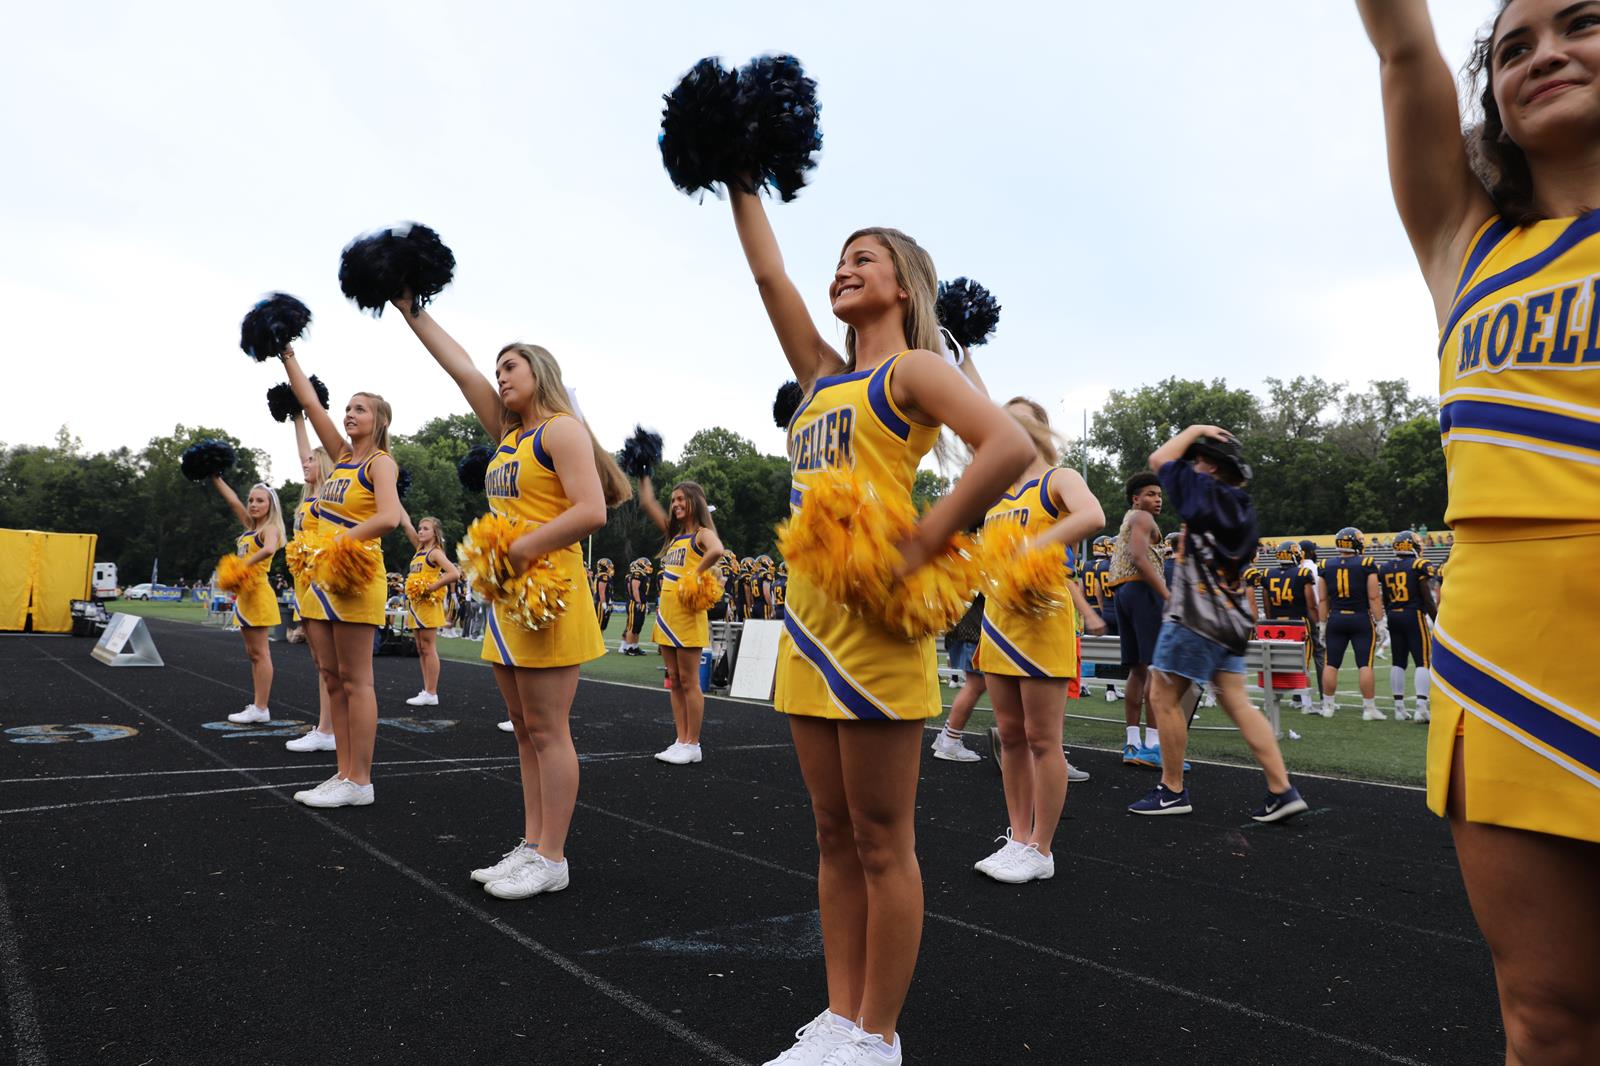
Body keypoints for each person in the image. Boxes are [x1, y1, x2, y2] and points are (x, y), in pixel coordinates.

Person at [728, 187, 1032, 1066]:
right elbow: (766, 272)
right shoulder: (822, 377)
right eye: (841, 258)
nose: (844, 268)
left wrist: (928, 540)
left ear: (903, 286)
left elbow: (1007, 447)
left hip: (877, 630)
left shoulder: (912, 374)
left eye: (865, 258)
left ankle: (878, 1033)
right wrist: (740, 175)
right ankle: (837, 1014)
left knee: (881, 839)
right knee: (830, 835)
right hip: (807, 623)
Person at [1359, 3, 1600, 1060]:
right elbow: (1401, 43)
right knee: (1546, 1014)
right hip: (1509, 656)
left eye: (1581, 24)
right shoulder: (1465, 240)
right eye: (1511, 48)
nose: (1544, 53)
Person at [395, 295, 629, 897]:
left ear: (539, 375)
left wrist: (520, 551)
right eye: (499, 370)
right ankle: (531, 845)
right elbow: (461, 369)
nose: (499, 378)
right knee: (523, 727)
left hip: (548, 591)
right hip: (508, 594)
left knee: (549, 730)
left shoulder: (562, 430)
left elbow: (592, 510)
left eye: (511, 369)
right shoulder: (507, 435)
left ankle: (553, 858)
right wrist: (409, 308)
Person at [1126, 427, 1307, 823]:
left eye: (1200, 459)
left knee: (1162, 695)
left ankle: (1172, 789)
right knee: (1236, 701)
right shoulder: (1244, 507)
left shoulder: (1202, 489)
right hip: (1232, 615)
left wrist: (1193, 430)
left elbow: (1159, 461)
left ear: (1211, 467)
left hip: (1196, 611)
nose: (1193, 463)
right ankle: (1282, 788)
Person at [971, 398, 1106, 884]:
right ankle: (1018, 837)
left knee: (1042, 739)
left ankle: (1041, 848)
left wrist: (1035, 546)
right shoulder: (997, 495)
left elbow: (1093, 515)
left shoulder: (1058, 479)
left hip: (1042, 619)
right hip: (999, 619)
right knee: (1009, 736)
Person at [280, 349, 401, 808]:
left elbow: (389, 516)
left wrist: (340, 541)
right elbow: (311, 404)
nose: (349, 415)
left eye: (360, 409)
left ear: (379, 420)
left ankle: (361, 780)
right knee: (330, 677)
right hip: (321, 578)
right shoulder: (341, 457)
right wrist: (286, 355)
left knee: (356, 680)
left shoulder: (379, 464)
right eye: (347, 408)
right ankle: (343, 774)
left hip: (354, 575)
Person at [638, 475, 726, 765]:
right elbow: (648, 503)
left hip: (688, 616)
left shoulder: (701, 534)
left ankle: (693, 743)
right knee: (674, 680)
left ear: (694, 502)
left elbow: (717, 549)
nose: (675, 504)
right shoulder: (675, 537)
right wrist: (643, 474)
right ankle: (680, 740)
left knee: (689, 682)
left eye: (680, 499)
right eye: (673, 500)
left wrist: (695, 574)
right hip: (668, 616)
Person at [207, 472, 285, 724]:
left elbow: (270, 549)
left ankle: (261, 708)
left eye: (259, 501)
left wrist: (243, 565)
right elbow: (233, 502)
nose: (253, 504)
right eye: (251, 500)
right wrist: (215, 477)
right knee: (253, 653)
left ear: (270, 505)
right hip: (246, 596)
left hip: (258, 593)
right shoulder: (250, 528)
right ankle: (258, 705)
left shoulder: (270, 528)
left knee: (261, 653)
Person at [1106, 473, 1170, 766]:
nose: (1157, 499)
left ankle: (1132, 743)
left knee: (1138, 670)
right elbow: (1141, 558)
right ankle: (1154, 745)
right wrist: (1167, 595)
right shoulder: (1143, 519)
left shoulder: (1128, 519)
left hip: (1122, 593)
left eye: (1159, 494)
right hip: (1143, 593)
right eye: (1151, 494)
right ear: (1136, 498)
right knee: (1156, 669)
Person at [283, 414, 338, 753]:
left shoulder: (329, 493)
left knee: (328, 662)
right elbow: (303, 452)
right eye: (305, 461)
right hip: (304, 581)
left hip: (322, 579)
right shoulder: (307, 496)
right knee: (320, 661)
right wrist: (296, 419)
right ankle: (326, 727)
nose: (305, 464)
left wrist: (306, 414)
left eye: (312, 461)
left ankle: (328, 729)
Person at [1318, 527, 1386, 719]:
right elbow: (1373, 597)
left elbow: (1323, 600)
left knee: (1331, 663)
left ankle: (1328, 707)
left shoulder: (1325, 564)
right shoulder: (1366, 563)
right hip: (1360, 618)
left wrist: (1322, 624)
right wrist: (1380, 621)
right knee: (1365, 664)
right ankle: (1369, 709)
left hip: (1336, 618)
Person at [398, 515, 462, 707]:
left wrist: (431, 588)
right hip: (416, 604)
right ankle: (426, 690)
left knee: (428, 647)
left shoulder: (435, 553)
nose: (420, 531)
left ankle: (432, 692)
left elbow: (454, 573)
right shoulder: (419, 550)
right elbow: (406, 524)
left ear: (435, 532)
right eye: (420, 528)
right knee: (420, 648)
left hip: (428, 604)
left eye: (425, 528)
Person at [1378, 530, 1439, 722]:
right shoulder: (1418, 565)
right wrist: (1436, 619)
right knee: (1422, 661)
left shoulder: (1386, 567)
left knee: (1398, 661)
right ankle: (1421, 707)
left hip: (1394, 615)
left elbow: (1385, 598)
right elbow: (1427, 598)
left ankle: (1399, 708)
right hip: (1413, 615)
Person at [932, 592, 986, 762]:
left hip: (964, 626)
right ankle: (950, 742)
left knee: (976, 684)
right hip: (971, 628)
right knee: (976, 684)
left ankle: (946, 737)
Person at [620, 558, 652, 655]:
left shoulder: (643, 575)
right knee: (632, 627)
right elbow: (635, 589)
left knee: (638, 627)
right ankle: (629, 648)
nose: (648, 567)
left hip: (641, 603)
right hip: (635, 603)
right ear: (641, 565)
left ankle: (635, 646)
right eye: (646, 565)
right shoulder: (637, 573)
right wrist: (638, 602)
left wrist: (644, 603)